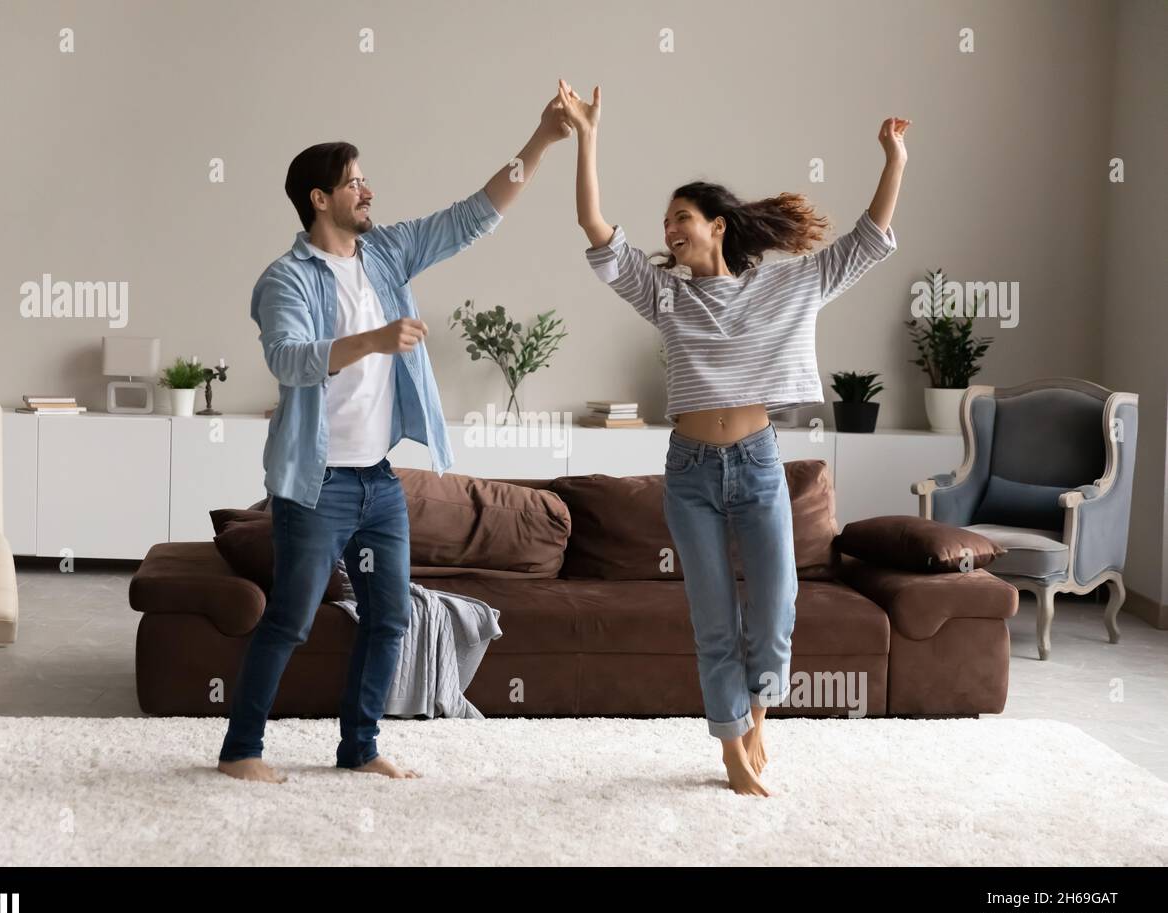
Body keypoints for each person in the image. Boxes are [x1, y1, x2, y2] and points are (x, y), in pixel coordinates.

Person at [557, 78, 909, 796]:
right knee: (713, 616)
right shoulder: (664, 295)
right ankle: (728, 746)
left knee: (776, 605)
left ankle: (756, 715)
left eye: (682, 217)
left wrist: (893, 160)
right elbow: (595, 225)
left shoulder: (784, 288)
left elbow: (866, 244)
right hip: (688, 472)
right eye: (665, 222)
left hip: (756, 464)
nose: (669, 230)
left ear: (719, 226)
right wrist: (589, 137)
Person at [217, 91, 573, 784]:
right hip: (316, 486)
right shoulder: (284, 279)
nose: (367, 190)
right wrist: (375, 340)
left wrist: (542, 139)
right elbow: (288, 360)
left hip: (377, 481)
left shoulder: (386, 254)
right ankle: (240, 751)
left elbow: (474, 215)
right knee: (290, 619)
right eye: (354, 181)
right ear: (320, 199)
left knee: (390, 617)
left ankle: (360, 746)